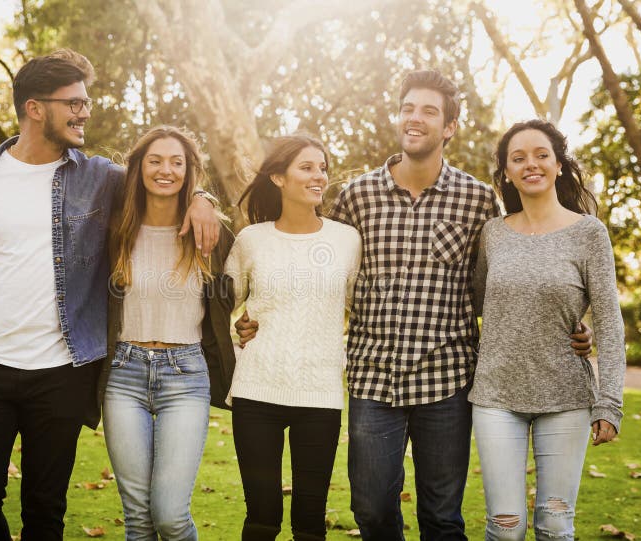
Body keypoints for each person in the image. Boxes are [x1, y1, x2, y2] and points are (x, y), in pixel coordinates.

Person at [0, 50, 219, 540]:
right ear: (35, 108)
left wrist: (203, 198)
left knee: (45, 510)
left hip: (62, 372)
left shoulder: (99, 179)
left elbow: (162, 177)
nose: (85, 112)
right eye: (74, 103)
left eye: (86, 101)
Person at [235, 70, 592, 540]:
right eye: (407, 108)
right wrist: (260, 313)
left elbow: (507, 275)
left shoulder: (478, 199)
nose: (414, 118)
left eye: (428, 110)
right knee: (372, 512)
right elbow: (308, 251)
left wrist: (568, 321)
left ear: (449, 127)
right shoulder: (357, 196)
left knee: (442, 519)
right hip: (372, 378)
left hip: (447, 380)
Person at [469, 119, 625, 540]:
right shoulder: (493, 234)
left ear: (559, 165)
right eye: (517, 158)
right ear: (505, 171)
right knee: (505, 528)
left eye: (541, 155)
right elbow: (479, 302)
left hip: (566, 398)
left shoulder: (589, 233)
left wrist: (609, 401)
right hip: (496, 395)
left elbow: (609, 321)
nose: (530, 164)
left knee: (555, 526)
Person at [100, 125, 236, 541]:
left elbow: (244, 290)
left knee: (171, 517)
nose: (166, 170)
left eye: (177, 162)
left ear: (189, 171)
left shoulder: (211, 232)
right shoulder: (114, 231)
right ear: (138, 167)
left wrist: (204, 200)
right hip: (123, 375)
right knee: (138, 520)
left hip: (186, 375)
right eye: (155, 160)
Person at [225, 134, 362, 541]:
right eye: (307, 167)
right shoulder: (252, 239)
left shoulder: (346, 240)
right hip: (255, 391)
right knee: (262, 517)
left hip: (319, 393)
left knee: (309, 518)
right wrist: (237, 333)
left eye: (322, 167)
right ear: (278, 177)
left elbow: (361, 308)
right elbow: (219, 305)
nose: (318, 175)